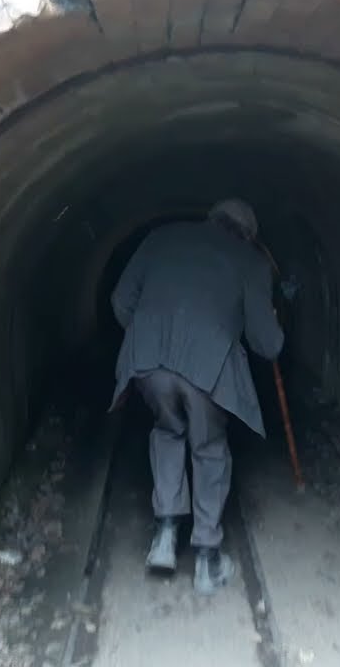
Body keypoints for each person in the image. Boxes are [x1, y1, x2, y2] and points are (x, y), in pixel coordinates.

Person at [107, 198, 284, 595]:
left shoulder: (160, 238)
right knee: (209, 448)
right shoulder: (250, 261)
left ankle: (164, 540)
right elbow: (265, 343)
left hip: (147, 360)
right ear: (249, 236)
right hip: (208, 366)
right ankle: (207, 558)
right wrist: (276, 327)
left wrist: (149, 333)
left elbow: (120, 302)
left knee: (167, 431)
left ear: (211, 218)